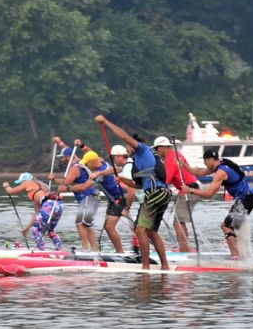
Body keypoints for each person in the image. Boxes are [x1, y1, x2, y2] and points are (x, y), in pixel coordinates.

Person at [94, 115, 171, 270]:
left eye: (127, 147)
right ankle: (165, 266)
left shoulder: (142, 149)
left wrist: (106, 122)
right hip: (162, 194)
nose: (127, 149)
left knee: (139, 229)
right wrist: (121, 179)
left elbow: (123, 135)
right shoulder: (138, 162)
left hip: (155, 193)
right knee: (150, 231)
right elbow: (138, 185)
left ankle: (145, 267)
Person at [181, 150, 253, 259]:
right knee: (226, 226)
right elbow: (198, 172)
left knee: (227, 226)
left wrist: (190, 190)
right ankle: (238, 254)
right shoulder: (220, 164)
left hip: (246, 199)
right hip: (244, 199)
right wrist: (183, 164)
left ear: (210, 159)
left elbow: (209, 194)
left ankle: (235, 257)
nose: (204, 163)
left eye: (205, 161)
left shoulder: (221, 172)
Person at [84, 149, 136, 253]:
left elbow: (86, 185)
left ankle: (120, 252)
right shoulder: (102, 164)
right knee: (107, 227)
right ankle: (119, 251)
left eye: (87, 164)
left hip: (120, 197)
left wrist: (68, 186)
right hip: (112, 199)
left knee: (109, 226)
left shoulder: (103, 167)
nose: (87, 166)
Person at [155, 136, 200, 252]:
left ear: (162, 147)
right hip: (191, 188)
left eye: (156, 149)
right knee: (180, 221)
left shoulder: (171, 158)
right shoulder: (177, 155)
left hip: (189, 189)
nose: (156, 152)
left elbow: (166, 180)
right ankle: (184, 247)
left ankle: (184, 248)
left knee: (177, 222)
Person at [2, 172, 63, 251]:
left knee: (35, 229)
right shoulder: (39, 191)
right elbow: (36, 214)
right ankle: (60, 250)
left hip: (48, 206)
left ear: (25, 180)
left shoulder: (28, 182)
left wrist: (6, 186)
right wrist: (27, 228)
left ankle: (42, 250)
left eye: (21, 182)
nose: (22, 184)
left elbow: (10, 191)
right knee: (50, 230)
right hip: (58, 205)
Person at [55, 145, 100, 250]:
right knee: (86, 225)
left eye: (62, 157)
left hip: (88, 197)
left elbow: (66, 183)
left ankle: (85, 250)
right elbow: (66, 182)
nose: (61, 159)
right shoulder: (79, 165)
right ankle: (94, 250)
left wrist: (54, 179)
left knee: (80, 223)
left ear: (67, 156)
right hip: (91, 198)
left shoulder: (75, 167)